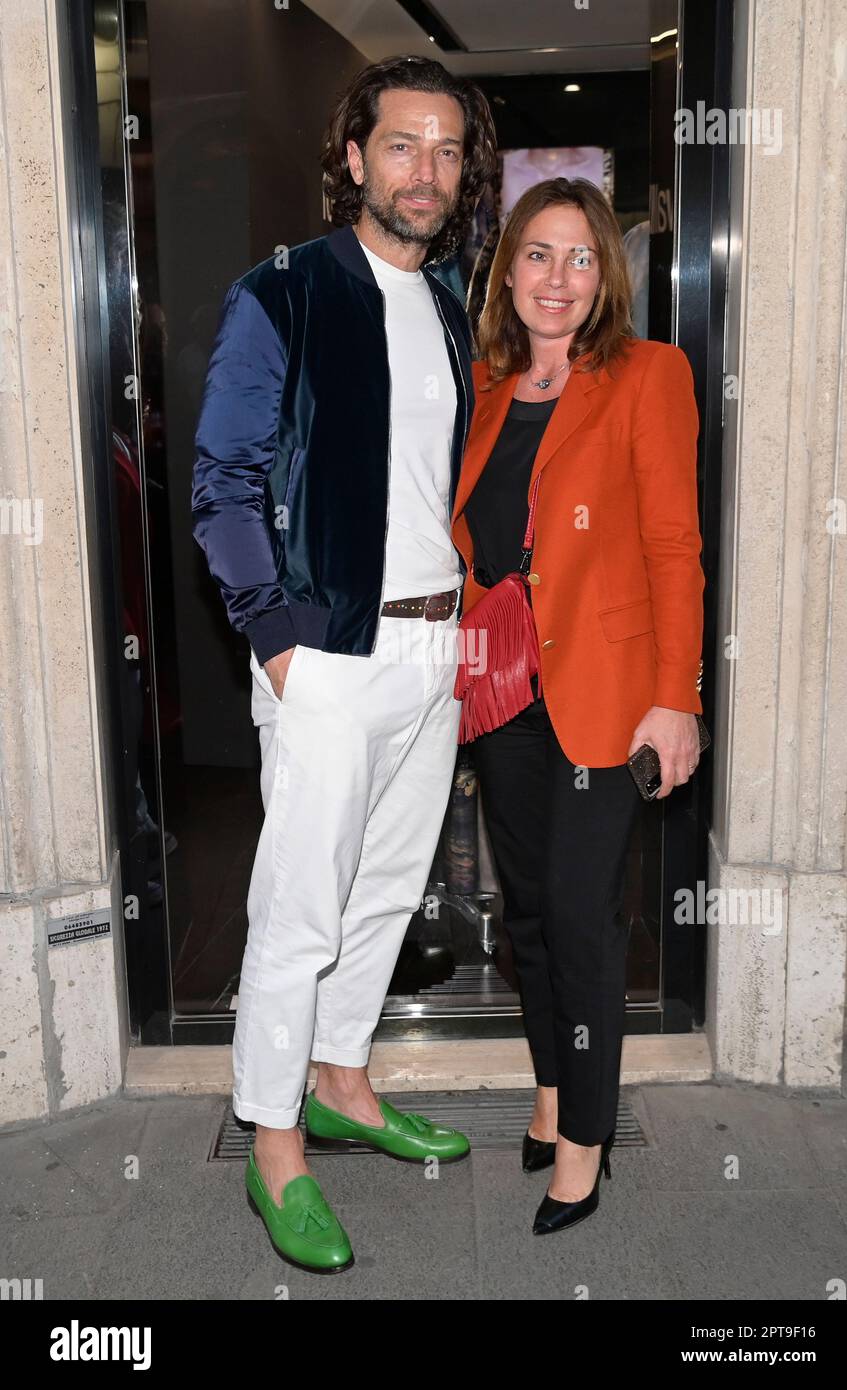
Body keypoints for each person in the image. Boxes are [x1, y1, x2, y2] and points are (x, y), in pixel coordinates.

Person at [191, 55, 497, 1273]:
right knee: (297, 908)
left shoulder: (448, 300)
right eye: (401, 146)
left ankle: (343, 1080)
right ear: (354, 157)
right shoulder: (285, 291)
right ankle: (273, 1148)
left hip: (433, 649)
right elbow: (222, 478)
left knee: (384, 892)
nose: (425, 171)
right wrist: (273, 637)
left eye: (446, 151)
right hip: (327, 654)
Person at [450, 177, 705, 1236]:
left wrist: (674, 699)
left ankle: (586, 1146)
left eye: (580, 258)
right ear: (507, 272)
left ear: (607, 275)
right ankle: (550, 1093)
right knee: (526, 918)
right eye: (538, 256)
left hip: (605, 698)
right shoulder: (483, 387)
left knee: (582, 922)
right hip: (502, 694)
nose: (557, 279)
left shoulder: (648, 375)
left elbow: (671, 547)